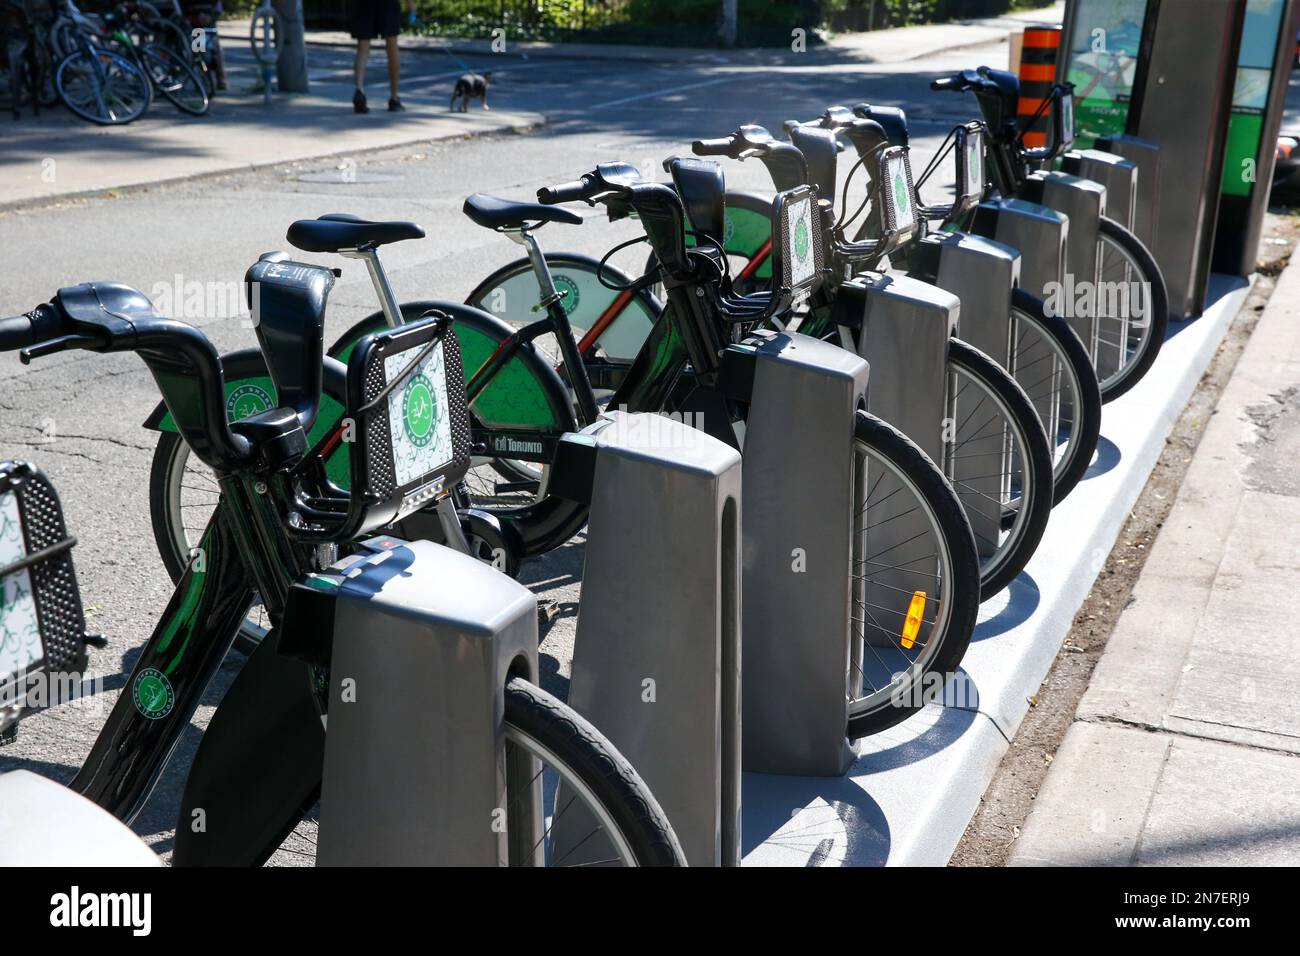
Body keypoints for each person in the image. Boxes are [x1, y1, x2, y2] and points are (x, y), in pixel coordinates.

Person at [351, 0, 417, 113]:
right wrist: (410, 5)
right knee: (392, 46)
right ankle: (394, 98)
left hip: (363, 4)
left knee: (362, 48)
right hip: (388, 5)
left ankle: (359, 90)